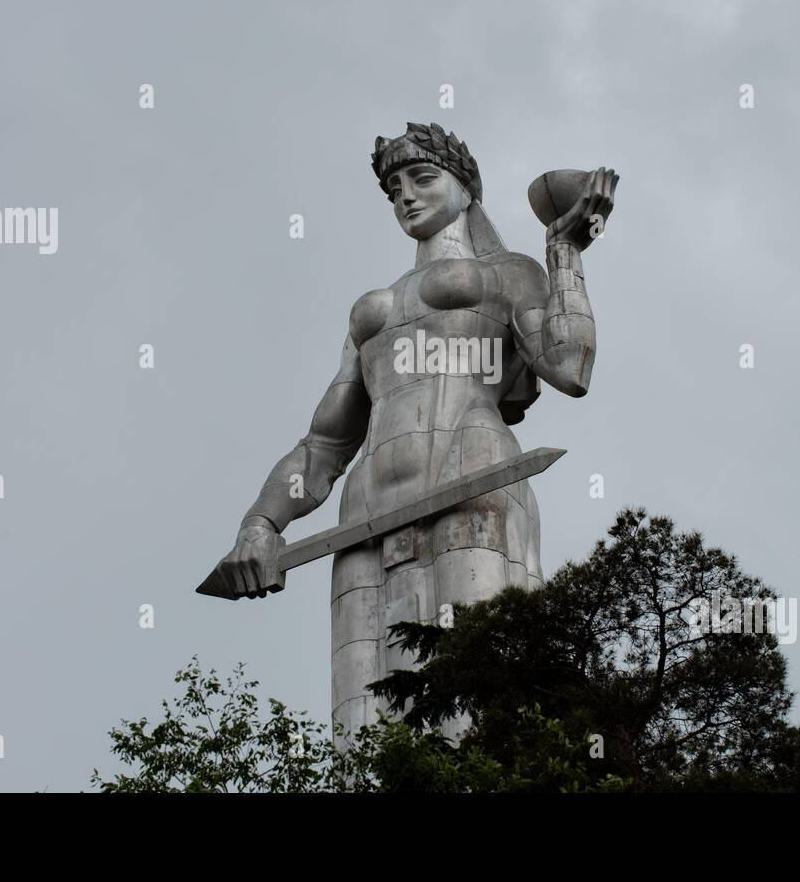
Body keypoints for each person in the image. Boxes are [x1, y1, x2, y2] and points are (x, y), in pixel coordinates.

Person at [219, 122, 617, 741]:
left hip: (472, 473)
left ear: (465, 187)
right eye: (393, 187)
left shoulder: (508, 274)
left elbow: (569, 365)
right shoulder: (370, 311)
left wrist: (563, 255)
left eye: (423, 178)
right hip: (364, 515)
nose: (406, 195)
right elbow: (324, 446)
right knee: (364, 724)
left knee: (476, 702)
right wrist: (260, 523)